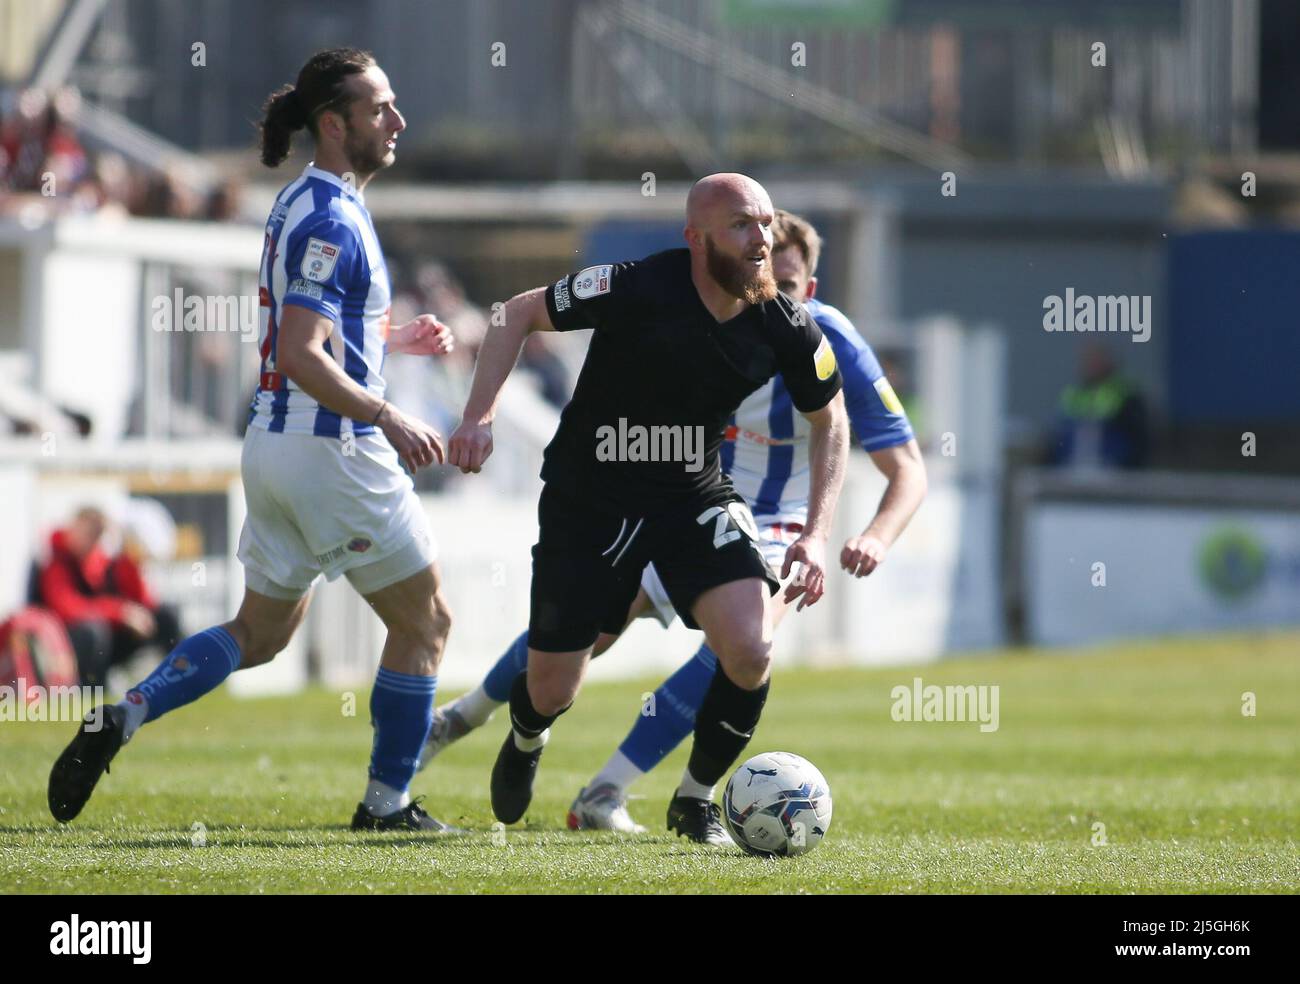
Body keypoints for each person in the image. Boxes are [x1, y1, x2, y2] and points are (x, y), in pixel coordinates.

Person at [48, 48, 459, 833]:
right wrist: (390, 413)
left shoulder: (308, 201)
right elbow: (303, 354)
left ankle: (123, 718)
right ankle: (387, 804)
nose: (398, 122)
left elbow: (315, 334)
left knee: (259, 635)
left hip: (276, 450)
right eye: (380, 110)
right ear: (333, 124)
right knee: (427, 622)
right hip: (331, 450)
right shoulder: (334, 217)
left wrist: (394, 340)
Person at [424, 210, 927, 835]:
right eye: (747, 236)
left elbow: (878, 449)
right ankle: (493, 722)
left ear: (809, 290)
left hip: (731, 508)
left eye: (775, 258)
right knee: (565, 664)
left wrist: (833, 536)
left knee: (744, 645)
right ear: (702, 241)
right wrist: (478, 416)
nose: (763, 262)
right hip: (605, 495)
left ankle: (657, 793)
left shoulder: (810, 334)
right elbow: (517, 312)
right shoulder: (642, 287)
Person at [35, 507, 180, 688]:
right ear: (74, 527)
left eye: (98, 534)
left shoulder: (101, 560)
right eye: (90, 532)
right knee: (94, 632)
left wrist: (133, 560)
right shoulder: (56, 563)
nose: (93, 539)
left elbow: (142, 600)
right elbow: (67, 608)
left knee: (165, 616)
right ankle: (93, 688)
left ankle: (182, 675)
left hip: (110, 638)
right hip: (72, 643)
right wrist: (120, 613)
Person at [1048, 342, 1148, 469]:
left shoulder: (1125, 393)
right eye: (1087, 360)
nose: (1091, 365)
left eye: (1096, 359)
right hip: (1072, 468)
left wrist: (1129, 465)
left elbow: (1137, 438)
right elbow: (1059, 435)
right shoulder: (1072, 394)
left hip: (1114, 468)